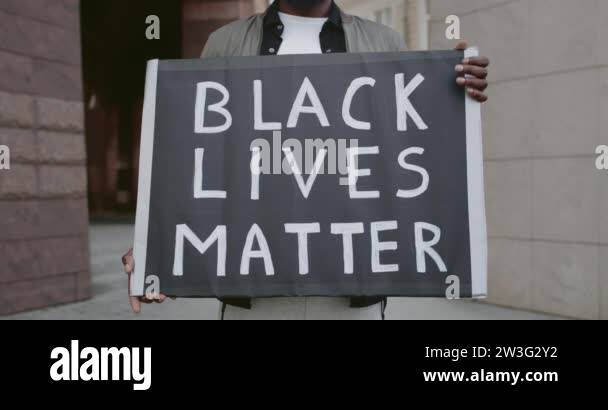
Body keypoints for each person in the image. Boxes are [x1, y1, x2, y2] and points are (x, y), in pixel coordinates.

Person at [122, 0, 490, 320]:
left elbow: (405, 150)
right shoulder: (225, 43)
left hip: (354, 298)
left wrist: (452, 87)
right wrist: (153, 244)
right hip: (253, 296)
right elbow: (198, 157)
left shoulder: (383, 41)